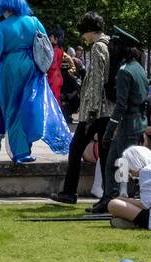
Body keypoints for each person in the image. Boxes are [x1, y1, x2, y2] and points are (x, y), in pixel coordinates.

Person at [0, 0, 70, 165]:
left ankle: (20, 152)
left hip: (9, 68)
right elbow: (46, 45)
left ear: (5, 8)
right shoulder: (34, 21)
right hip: (32, 66)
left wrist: (9, 59)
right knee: (30, 105)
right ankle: (27, 145)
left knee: (12, 108)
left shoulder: (1, 27)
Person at [53, 12, 112, 202]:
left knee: (76, 147)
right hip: (108, 109)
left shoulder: (97, 48)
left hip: (95, 111)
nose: (83, 37)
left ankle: (69, 192)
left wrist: (91, 114)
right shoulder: (109, 43)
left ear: (88, 30)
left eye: (84, 33)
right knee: (104, 153)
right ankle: (108, 195)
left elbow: (96, 82)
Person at [93, 27, 147, 212]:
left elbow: (121, 105)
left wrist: (109, 130)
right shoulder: (139, 68)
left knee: (116, 163)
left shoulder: (124, 71)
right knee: (118, 162)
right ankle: (112, 198)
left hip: (127, 125)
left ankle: (113, 199)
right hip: (138, 123)